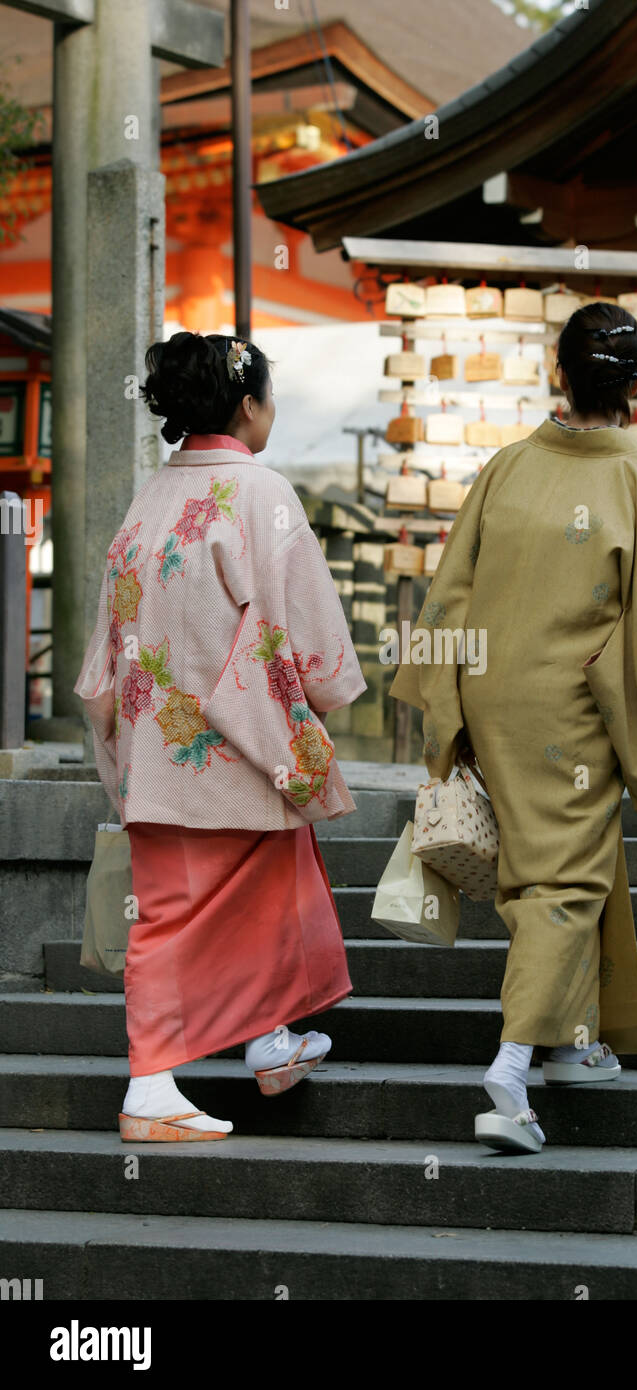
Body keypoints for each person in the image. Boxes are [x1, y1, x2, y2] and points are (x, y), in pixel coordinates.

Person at [389, 301, 637, 1155]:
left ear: (561, 375)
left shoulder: (507, 467)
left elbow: (452, 592)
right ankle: (507, 1075)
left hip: (494, 692)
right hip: (578, 706)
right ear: (635, 387)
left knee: (562, 858)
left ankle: (576, 1043)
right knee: (561, 884)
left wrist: (446, 706)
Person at [74, 331, 366, 1141]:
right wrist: (329, 688)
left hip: (160, 749)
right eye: (269, 396)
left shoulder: (152, 497)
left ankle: (272, 1040)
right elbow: (304, 622)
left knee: (275, 882)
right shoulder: (262, 492)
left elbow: (111, 632)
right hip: (237, 741)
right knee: (185, 913)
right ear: (247, 404)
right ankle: (150, 1087)